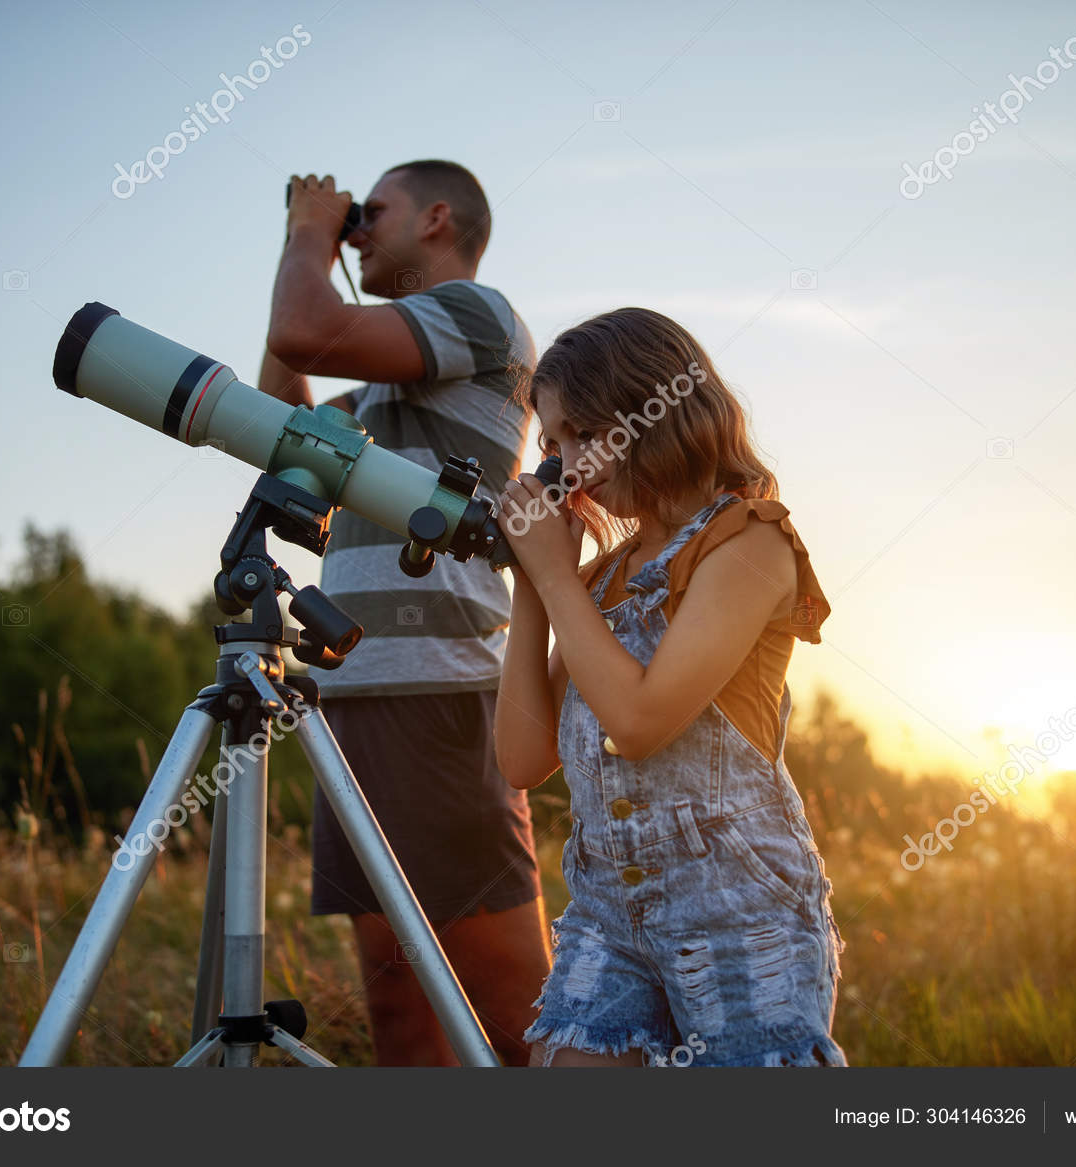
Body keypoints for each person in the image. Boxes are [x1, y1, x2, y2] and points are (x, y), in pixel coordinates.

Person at [493, 306, 846, 1067]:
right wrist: (531, 585)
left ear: (654, 408)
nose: (568, 464)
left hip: (739, 914)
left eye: (583, 433)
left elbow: (641, 720)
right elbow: (522, 758)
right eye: (552, 445)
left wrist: (556, 577)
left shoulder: (749, 540)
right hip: (609, 915)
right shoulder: (597, 581)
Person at [257, 163, 548, 1065]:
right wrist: (297, 241)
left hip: (439, 698)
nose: (354, 230)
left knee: (514, 1015)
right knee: (403, 1020)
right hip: (356, 703)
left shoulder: (479, 313)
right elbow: (278, 422)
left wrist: (312, 234)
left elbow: (305, 329)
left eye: (367, 214)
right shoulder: (380, 402)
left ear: (437, 217)